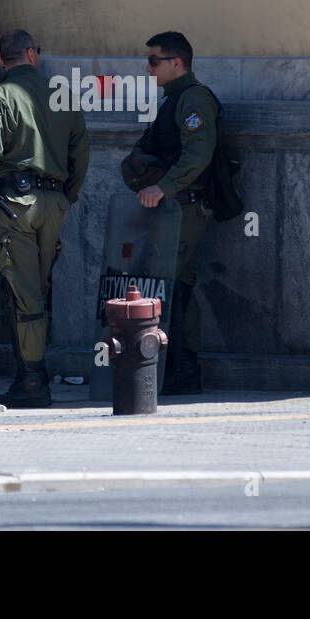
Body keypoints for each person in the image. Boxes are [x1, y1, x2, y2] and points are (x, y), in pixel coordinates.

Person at [0, 30, 89, 408]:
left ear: (1, 58)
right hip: (52, 200)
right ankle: (32, 376)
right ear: (33, 54)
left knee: (22, 292)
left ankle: (32, 382)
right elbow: (80, 152)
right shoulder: (62, 94)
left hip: (14, 204)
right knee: (39, 288)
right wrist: (66, 196)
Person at [121, 31, 220, 395]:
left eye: (154, 61)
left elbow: (198, 154)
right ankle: (176, 369)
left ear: (176, 63)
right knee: (175, 285)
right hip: (174, 206)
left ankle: (180, 369)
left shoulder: (193, 99)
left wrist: (163, 187)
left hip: (185, 206)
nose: (148, 68)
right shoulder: (175, 99)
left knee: (173, 284)